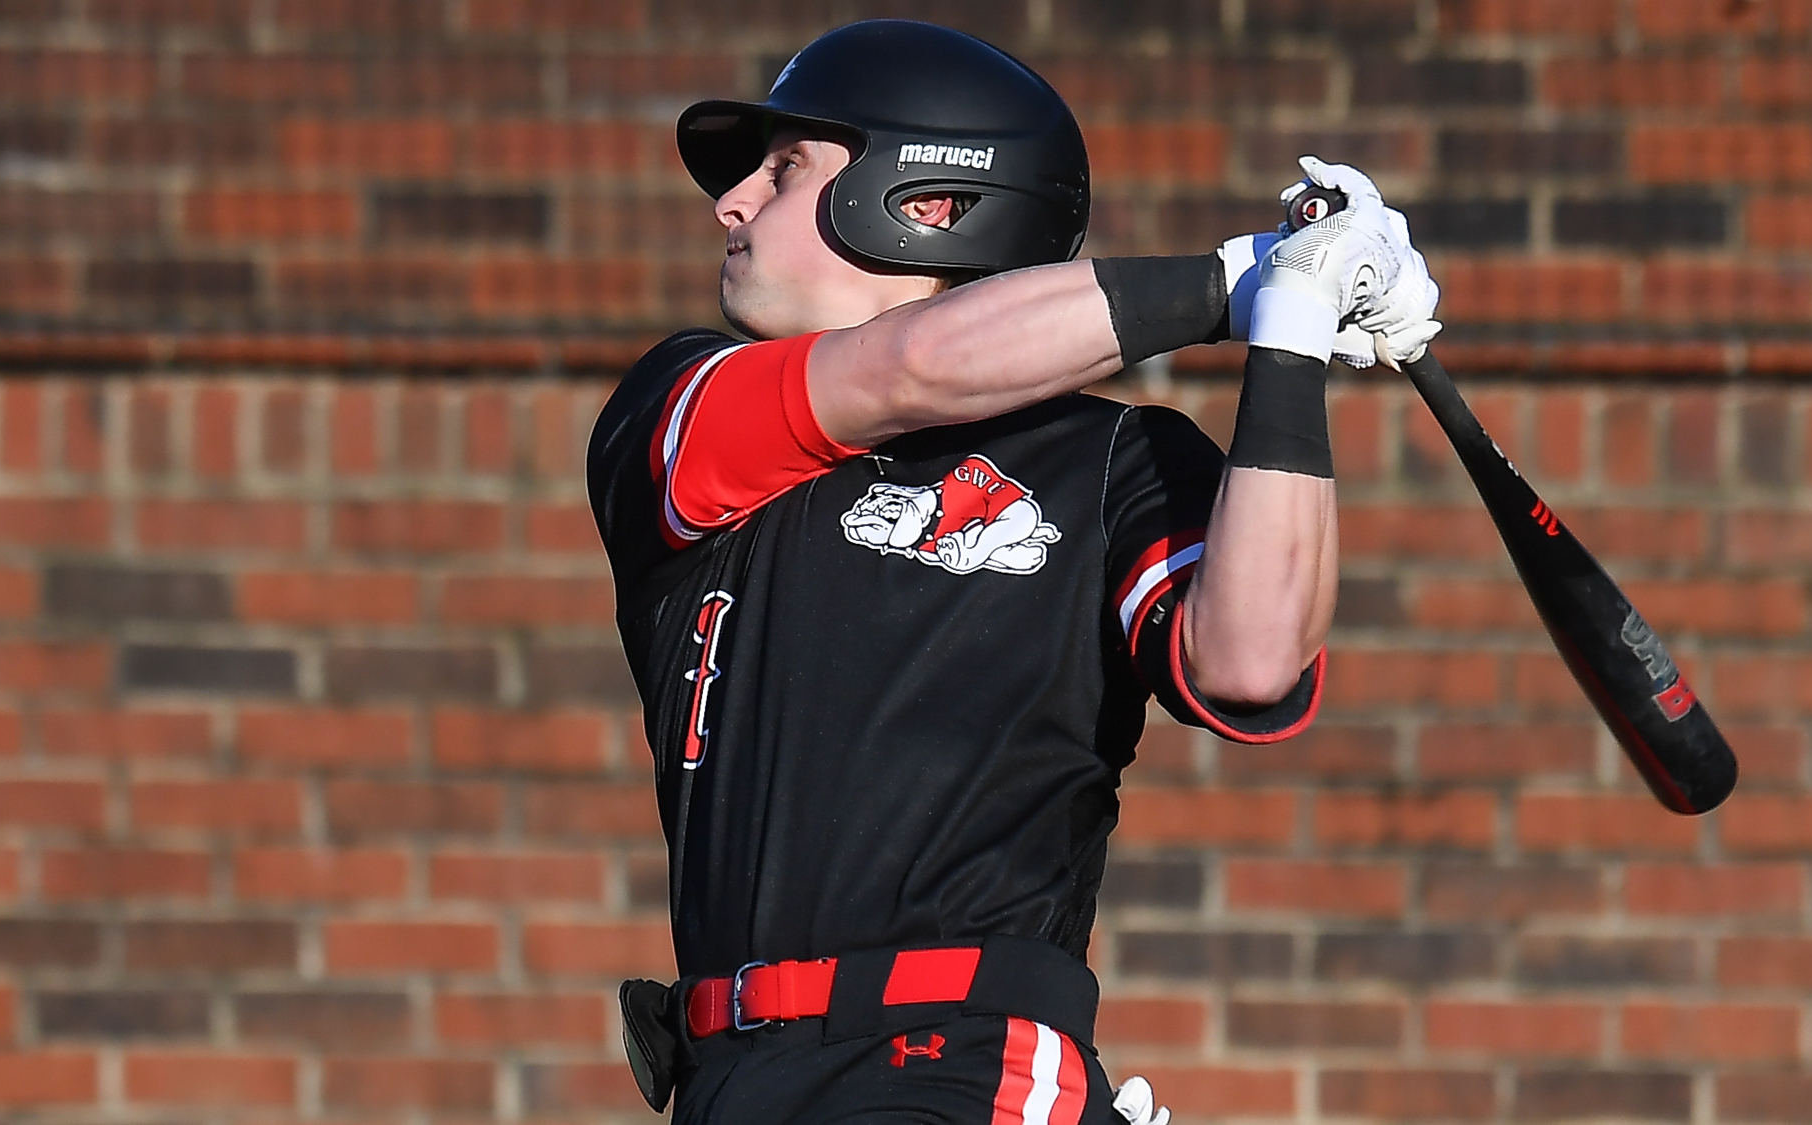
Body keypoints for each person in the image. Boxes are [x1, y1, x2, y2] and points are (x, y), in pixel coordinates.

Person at [587, 19, 1440, 1125]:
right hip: (731, 1081)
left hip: (958, 1066)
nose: (732, 202)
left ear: (926, 203)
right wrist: (1239, 277)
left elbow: (1247, 660)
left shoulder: (1115, 459)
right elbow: (912, 366)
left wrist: (1288, 338)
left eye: (783, 169)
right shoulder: (681, 404)